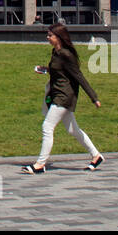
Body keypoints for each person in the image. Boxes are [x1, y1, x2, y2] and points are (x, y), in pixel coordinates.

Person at [22, 23, 103, 173]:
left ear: (59, 37)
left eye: (50, 35)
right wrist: (44, 69)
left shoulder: (66, 54)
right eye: (48, 35)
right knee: (73, 130)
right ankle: (96, 156)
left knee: (47, 126)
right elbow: (57, 71)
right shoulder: (56, 52)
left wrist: (94, 98)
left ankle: (40, 164)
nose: (48, 38)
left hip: (64, 96)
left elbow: (79, 76)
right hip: (57, 93)